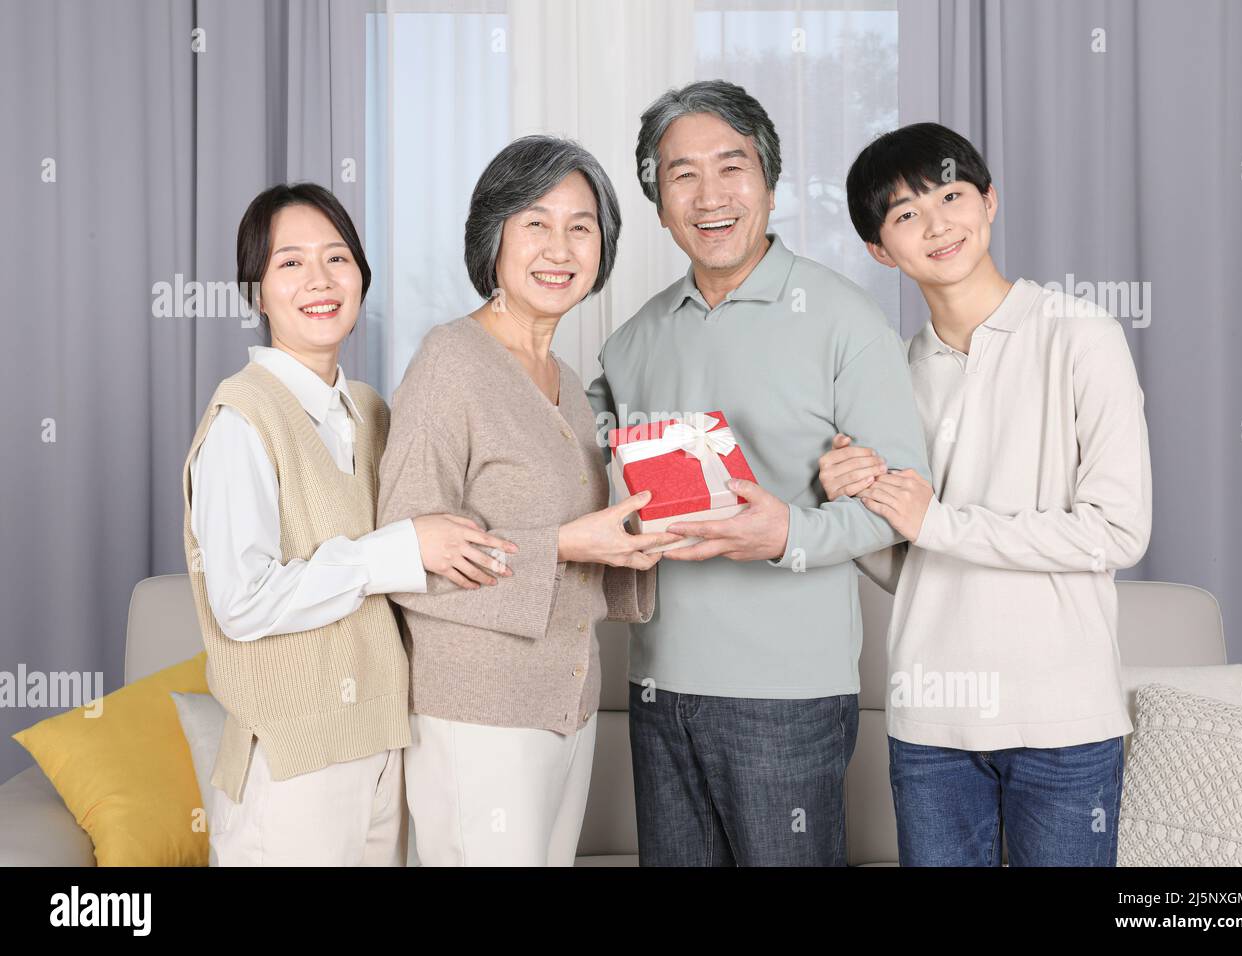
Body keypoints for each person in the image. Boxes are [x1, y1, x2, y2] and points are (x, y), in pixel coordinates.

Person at [586, 80, 932, 866]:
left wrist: (789, 533)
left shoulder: (848, 321)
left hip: (790, 699)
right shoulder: (633, 340)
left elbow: (901, 504)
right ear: (658, 199)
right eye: (682, 174)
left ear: (769, 184)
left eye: (730, 167)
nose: (710, 195)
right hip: (656, 687)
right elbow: (589, 478)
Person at [821, 121, 1152, 865]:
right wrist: (856, 508)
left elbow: (1118, 532)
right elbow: (914, 565)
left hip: (1065, 720)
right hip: (932, 727)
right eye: (906, 214)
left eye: (951, 194)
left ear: (989, 201)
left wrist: (937, 522)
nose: (938, 223)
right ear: (880, 249)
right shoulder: (889, 376)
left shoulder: (1081, 335)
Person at [181, 182, 511, 865]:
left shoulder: (369, 410)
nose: (320, 280)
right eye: (290, 263)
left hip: (384, 746)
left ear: (361, 274)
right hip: (294, 764)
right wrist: (398, 550)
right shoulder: (243, 420)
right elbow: (241, 603)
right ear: (256, 290)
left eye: (337, 258)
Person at [378, 136, 679, 866]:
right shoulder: (450, 361)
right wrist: (571, 545)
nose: (560, 247)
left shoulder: (568, 382)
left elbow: (581, 546)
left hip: (567, 702)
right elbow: (402, 551)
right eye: (535, 223)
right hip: (479, 709)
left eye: (581, 226)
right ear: (495, 239)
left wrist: (644, 540)